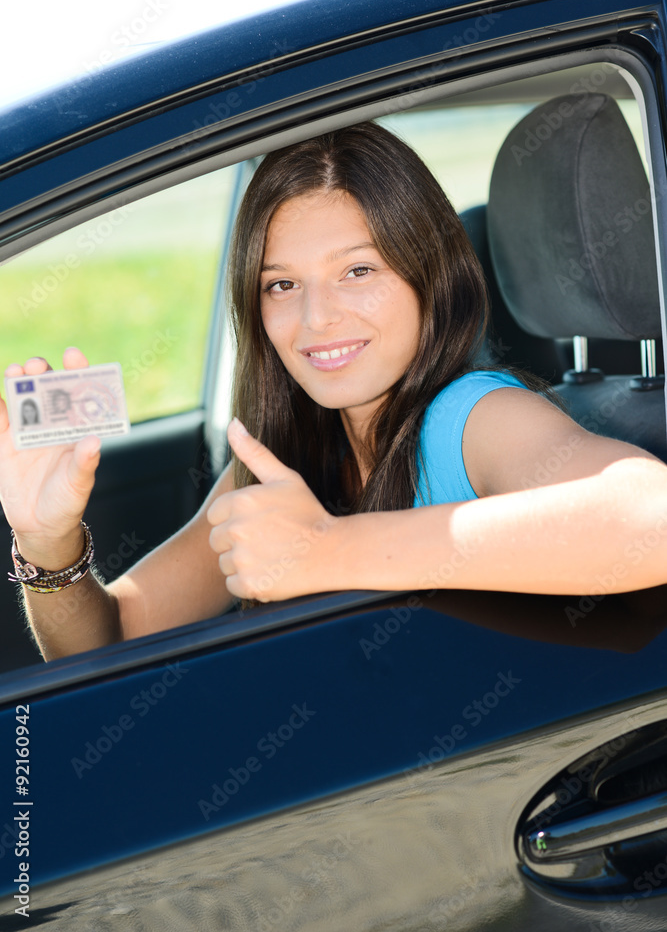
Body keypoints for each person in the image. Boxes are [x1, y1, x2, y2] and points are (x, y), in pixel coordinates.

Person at [1, 122, 666, 662]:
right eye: (281, 284)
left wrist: (327, 550)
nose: (316, 317)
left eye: (356, 270)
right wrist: (47, 540)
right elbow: (107, 642)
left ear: (427, 278)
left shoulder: (473, 416)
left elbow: (652, 519)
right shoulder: (282, 461)